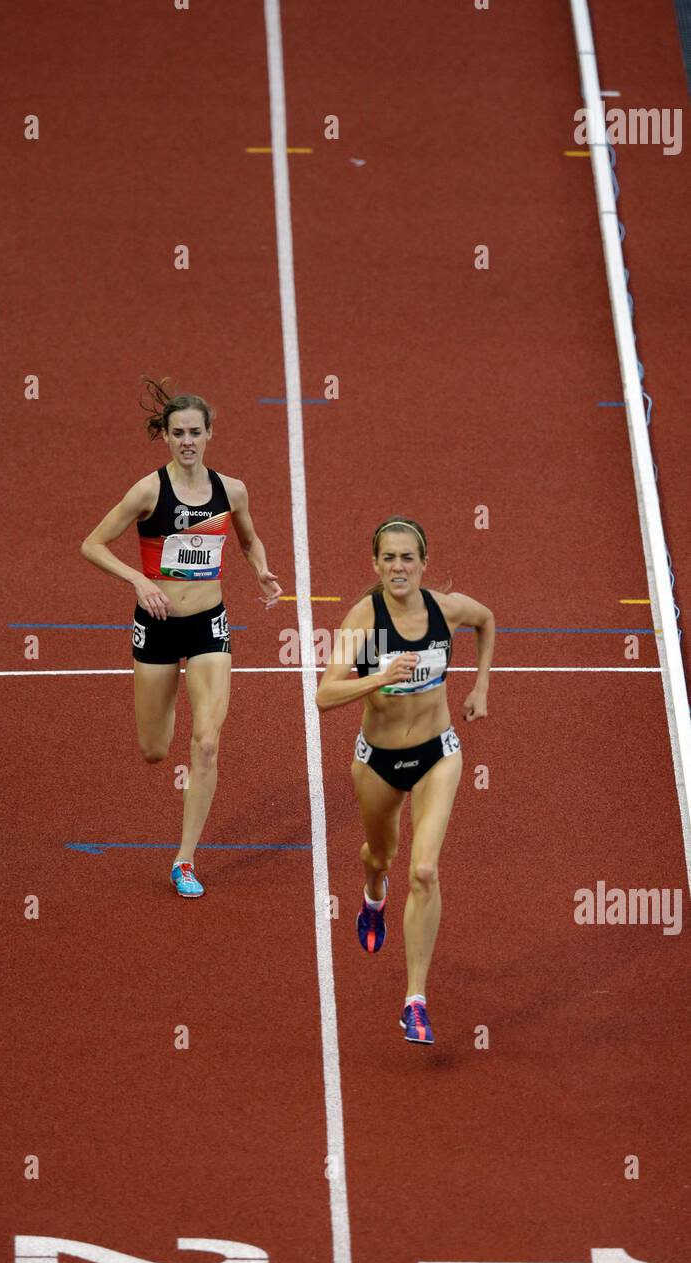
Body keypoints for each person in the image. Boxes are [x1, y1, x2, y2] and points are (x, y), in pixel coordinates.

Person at [81, 376, 281, 897]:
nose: (187, 440)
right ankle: (166, 706)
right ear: (165, 437)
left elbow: (249, 537)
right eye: (178, 433)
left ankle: (185, 860)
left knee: (208, 743)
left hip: (210, 625)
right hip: (157, 628)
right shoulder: (149, 490)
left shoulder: (231, 490)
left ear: (209, 433)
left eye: (195, 431)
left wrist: (259, 569)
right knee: (154, 748)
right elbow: (93, 544)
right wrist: (139, 579)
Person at [316, 516, 494, 1044]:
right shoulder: (362, 621)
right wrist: (379, 677)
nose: (398, 567)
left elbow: (487, 620)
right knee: (380, 856)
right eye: (389, 558)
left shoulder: (448, 609)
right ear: (375, 564)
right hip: (378, 762)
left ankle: (415, 999)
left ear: (424, 563)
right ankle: (374, 895)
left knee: (424, 869)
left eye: (407, 558)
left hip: (439, 752)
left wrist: (482, 686)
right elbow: (324, 695)